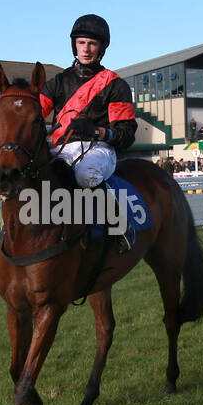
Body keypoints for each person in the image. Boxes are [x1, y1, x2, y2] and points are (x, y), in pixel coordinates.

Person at [37, 14, 138, 253]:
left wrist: (97, 131)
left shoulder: (115, 84)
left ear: (101, 48)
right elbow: (34, 113)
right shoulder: (58, 82)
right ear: (74, 45)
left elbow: (126, 134)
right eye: (81, 43)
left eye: (92, 44)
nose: (86, 49)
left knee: (85, 174)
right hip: (60, 149)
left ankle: (120, 226)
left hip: (99, 150)